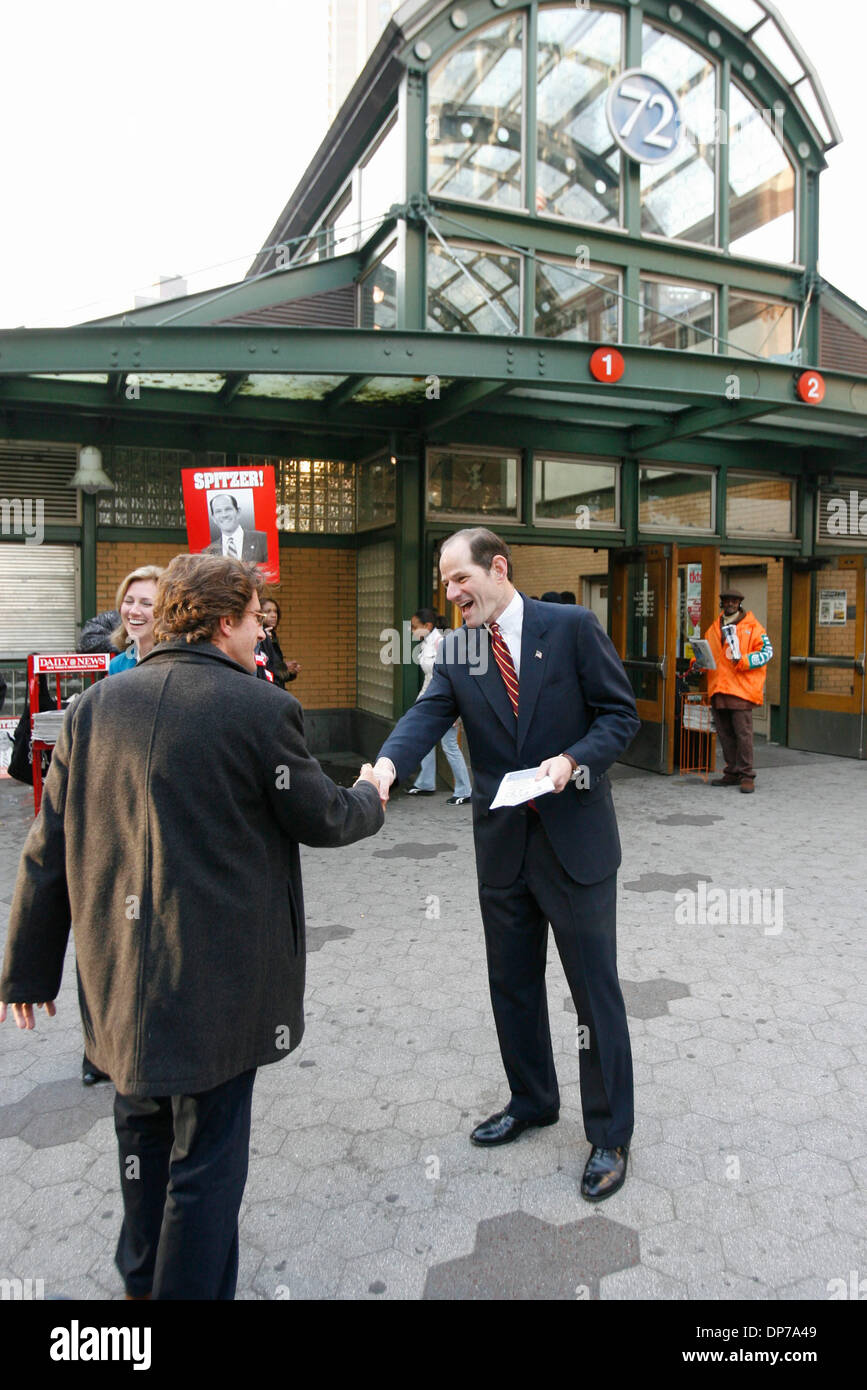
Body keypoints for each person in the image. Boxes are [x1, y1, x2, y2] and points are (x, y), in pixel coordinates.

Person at [0, 553, 384, 1300]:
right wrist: (371, 790)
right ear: (223, 621)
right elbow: (326, 817)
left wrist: (27, 970)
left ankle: (140, 1284)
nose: (261, 634)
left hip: (117, 985)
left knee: (140, 1141)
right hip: (219, 990)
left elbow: (48, 849)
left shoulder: (94, 709)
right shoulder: (257, 709)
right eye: (255, 618)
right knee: (204, 1169)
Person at [371, 528, 640, 1202]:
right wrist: (384, 767)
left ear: (497, 568)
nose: (452, 594)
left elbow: (617, 714)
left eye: (460, 580)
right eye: (445, 584)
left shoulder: (571, 627)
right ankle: (531, 1101)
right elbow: (426, 714)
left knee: (593, 993)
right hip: (502, 849)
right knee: (512, 986)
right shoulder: (460, 649)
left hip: (574, 845)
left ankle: (608, 1132)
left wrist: (572, 760)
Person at [698, 586, 773, 794]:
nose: (730, 603)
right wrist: (698, 662)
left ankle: (747, 775)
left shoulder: (753, 626)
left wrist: (745, 660)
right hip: (719, 689)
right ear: (722, 602)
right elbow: (709, 654)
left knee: (743, 734)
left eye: (734, 600)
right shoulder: (714, 628)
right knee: (725, 734)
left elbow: (767, 652)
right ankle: (732, 771)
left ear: (739, 603)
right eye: (727, 600)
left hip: (741, 690)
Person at [406, 608, 472, 806]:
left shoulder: (442, 643)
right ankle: (426, 783)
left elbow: (456, 678)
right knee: (424, 740)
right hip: (431, 701)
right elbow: (430, 678)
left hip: (446, 704)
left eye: (414, 626)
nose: (411, 630)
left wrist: (455, 712)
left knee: (450, 746)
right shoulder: (426, 644)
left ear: (427, 626)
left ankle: (465, 790)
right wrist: (420, 702)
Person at [108, 566, 163, 674]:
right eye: (128, 601)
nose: (133, 611)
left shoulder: (178, 664)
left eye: (146, 603)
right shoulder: (117, 665)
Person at [204, 493, 268, 562]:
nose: (224, 515)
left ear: (238, 512)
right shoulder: (208, 552)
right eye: (218, 511)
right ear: (213, 518)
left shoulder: (263, 539)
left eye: (228, 509)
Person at [260, 598, 300, 687]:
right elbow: (263, 670)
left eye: (275, 611)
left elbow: (276, 671)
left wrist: (291, 672)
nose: (273, 615)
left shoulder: (272, 636)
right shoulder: (258, 638)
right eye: (268, 611)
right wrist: (285, 668)